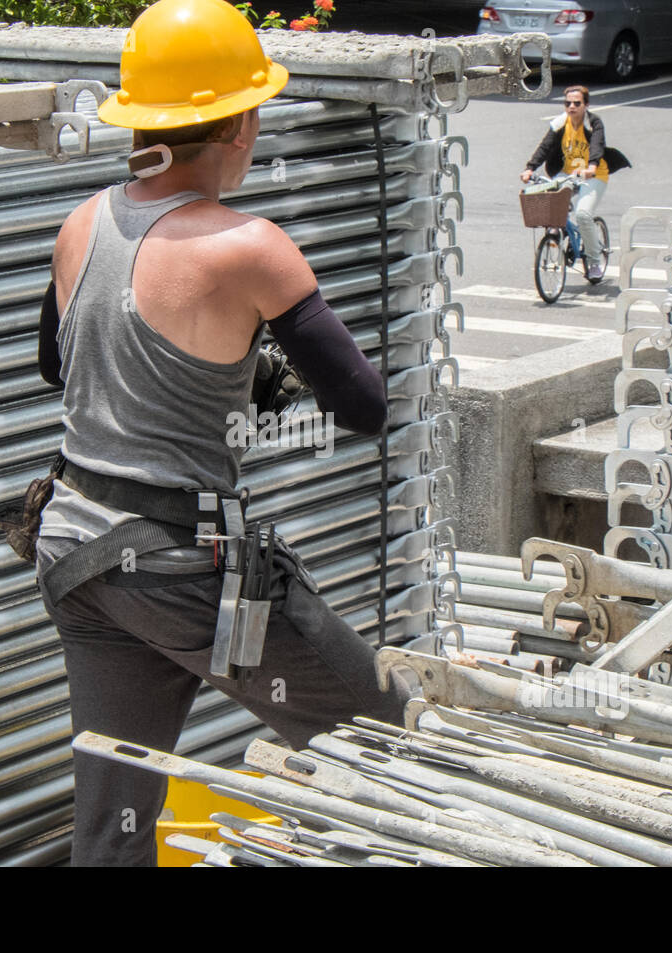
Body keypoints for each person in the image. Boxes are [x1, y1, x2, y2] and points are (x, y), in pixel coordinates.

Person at [33, 0, 412, 866]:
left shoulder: (82, 223)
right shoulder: (249, 247)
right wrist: (266, 367)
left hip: (75, 548)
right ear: (241, 120)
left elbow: (59, 368)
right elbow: (363, 406)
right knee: (383, 733)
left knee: (115, 820)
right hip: (176, 567)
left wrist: (230, 372)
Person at [520, 85, 630, 282]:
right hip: (568, 172)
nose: (572, 107)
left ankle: (594, 262)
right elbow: (545, 147)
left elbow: (597, 145)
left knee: (582, 214)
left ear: (586, 105)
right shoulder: (560, 124)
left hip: (594, 174)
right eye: (568, 103)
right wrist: (530, 168)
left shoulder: (593, 123)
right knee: (551, 205)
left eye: (577, 103)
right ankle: (555, 235)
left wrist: (592, 167)